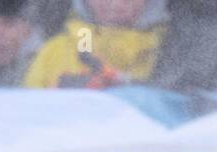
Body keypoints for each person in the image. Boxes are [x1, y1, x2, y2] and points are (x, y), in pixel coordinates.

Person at [22, 0, 167, 89]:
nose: (115, 2)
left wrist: (125, 88)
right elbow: (29, 116)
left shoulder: (168, 49)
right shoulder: (53, 51)